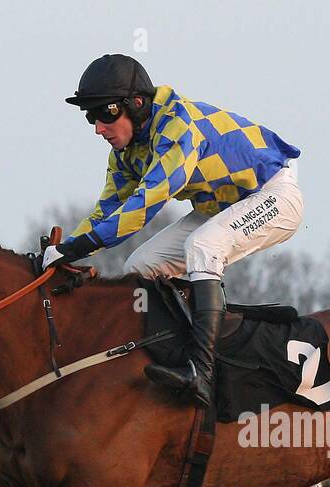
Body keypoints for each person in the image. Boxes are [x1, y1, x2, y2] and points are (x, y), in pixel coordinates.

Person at [43, 54, 304, 409]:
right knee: (140, 265)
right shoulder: (125, 153)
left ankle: (204, 370)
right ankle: (172, 355)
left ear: (136, 104)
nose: (98, 128)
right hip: (219, 209)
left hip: (274, 196)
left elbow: (148, 201)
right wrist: (68, 248)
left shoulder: (178, 127)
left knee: (203, 244)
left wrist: (79, 248)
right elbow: (108, 210)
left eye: (105, 114)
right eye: (91, 117)